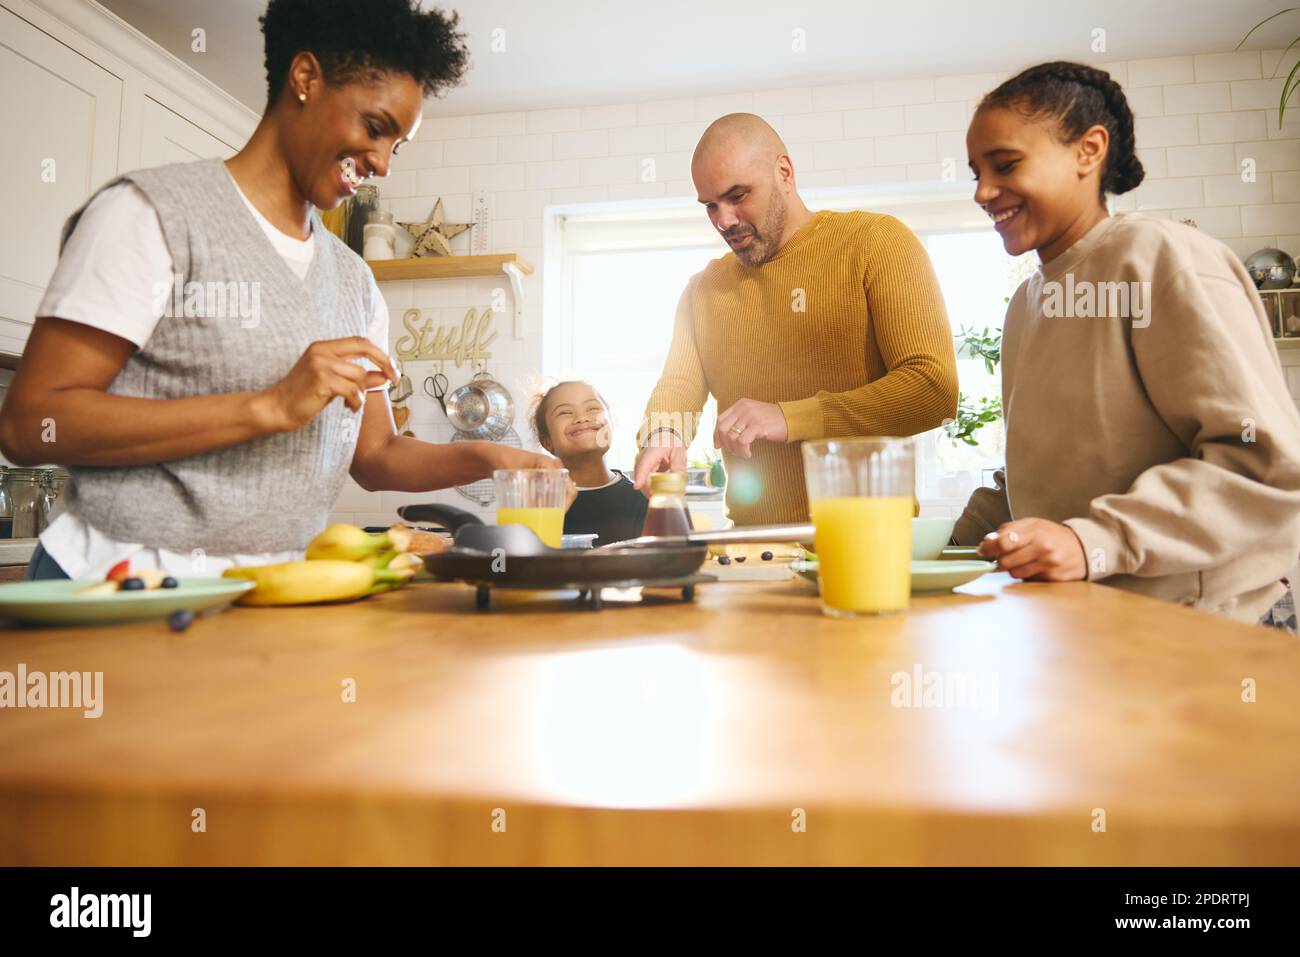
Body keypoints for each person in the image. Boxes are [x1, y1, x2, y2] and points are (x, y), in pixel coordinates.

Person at [0, 0, 564, 581]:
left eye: (398, 145)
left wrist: (489, 457)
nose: (383, 164)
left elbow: (374, 457)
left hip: (267, 594)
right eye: (375, 128)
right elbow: (28, 424)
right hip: (114, 583)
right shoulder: (150, 215)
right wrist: (269, 406)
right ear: (305, 78)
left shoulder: (354, 282)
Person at [955, 60, 1300, 629]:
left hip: (1207, 629)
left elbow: (1261, 467)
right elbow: (1045, 476)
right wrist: (939, 540)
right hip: (1090, 625)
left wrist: (1092, 540)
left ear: (1089, 151)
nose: (983, 192)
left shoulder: (1161, 257)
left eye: (1005, 165)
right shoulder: (1026, 305)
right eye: (975, 173)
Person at [632, 113, 958, 526]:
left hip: (873, 538)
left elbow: (933, 391)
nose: (724, 220)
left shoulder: (875, 243)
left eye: (737, 195)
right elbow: (678, 387)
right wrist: (666, 434)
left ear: (784, 172)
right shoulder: (703, 289)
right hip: (755, 549)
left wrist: (790, 418)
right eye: (711, 205)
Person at [531, 380, 647, 546]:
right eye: (564, 412)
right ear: (547, 442)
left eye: (593, 408)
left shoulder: (642, 498)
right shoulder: (539, 506)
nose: (582, 418)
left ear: (612, 425)